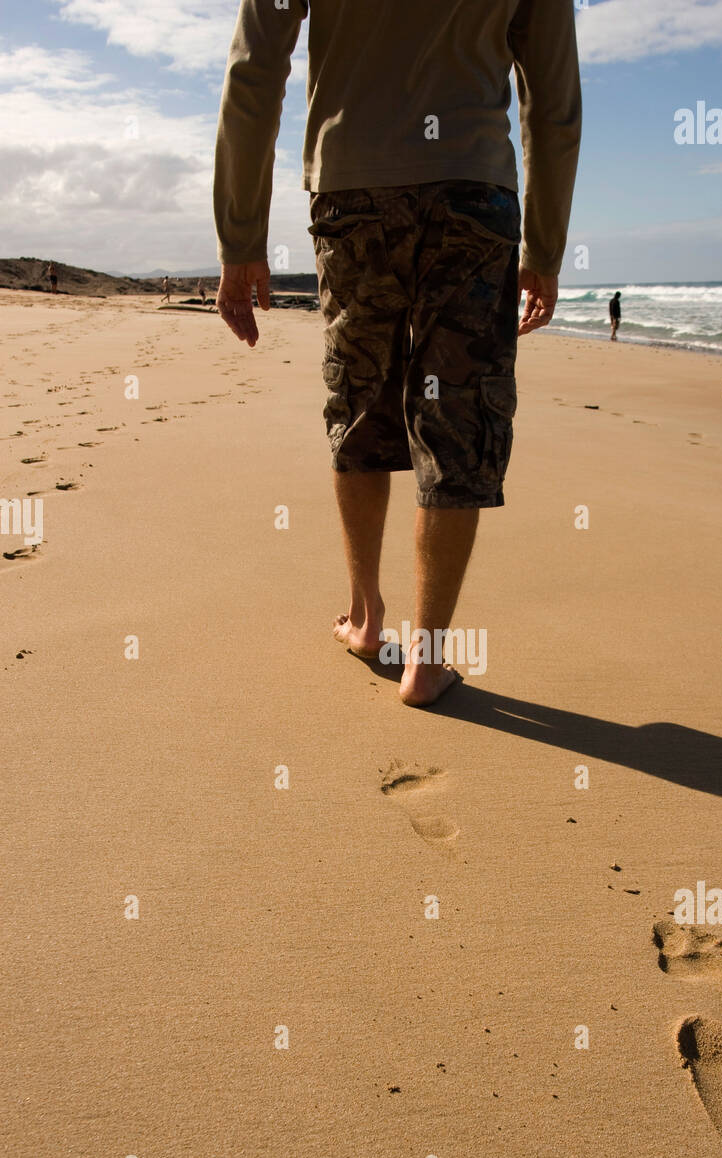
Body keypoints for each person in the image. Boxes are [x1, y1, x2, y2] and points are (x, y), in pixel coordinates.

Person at [214, 1, 580, 705]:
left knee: (359, 397)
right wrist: (545, 246)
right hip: (474, 189)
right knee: (458, 415)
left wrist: (241, 236)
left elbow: (255, 69)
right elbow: (553, 101)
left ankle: (365, 614)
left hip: (353, 183)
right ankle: (428, 658)